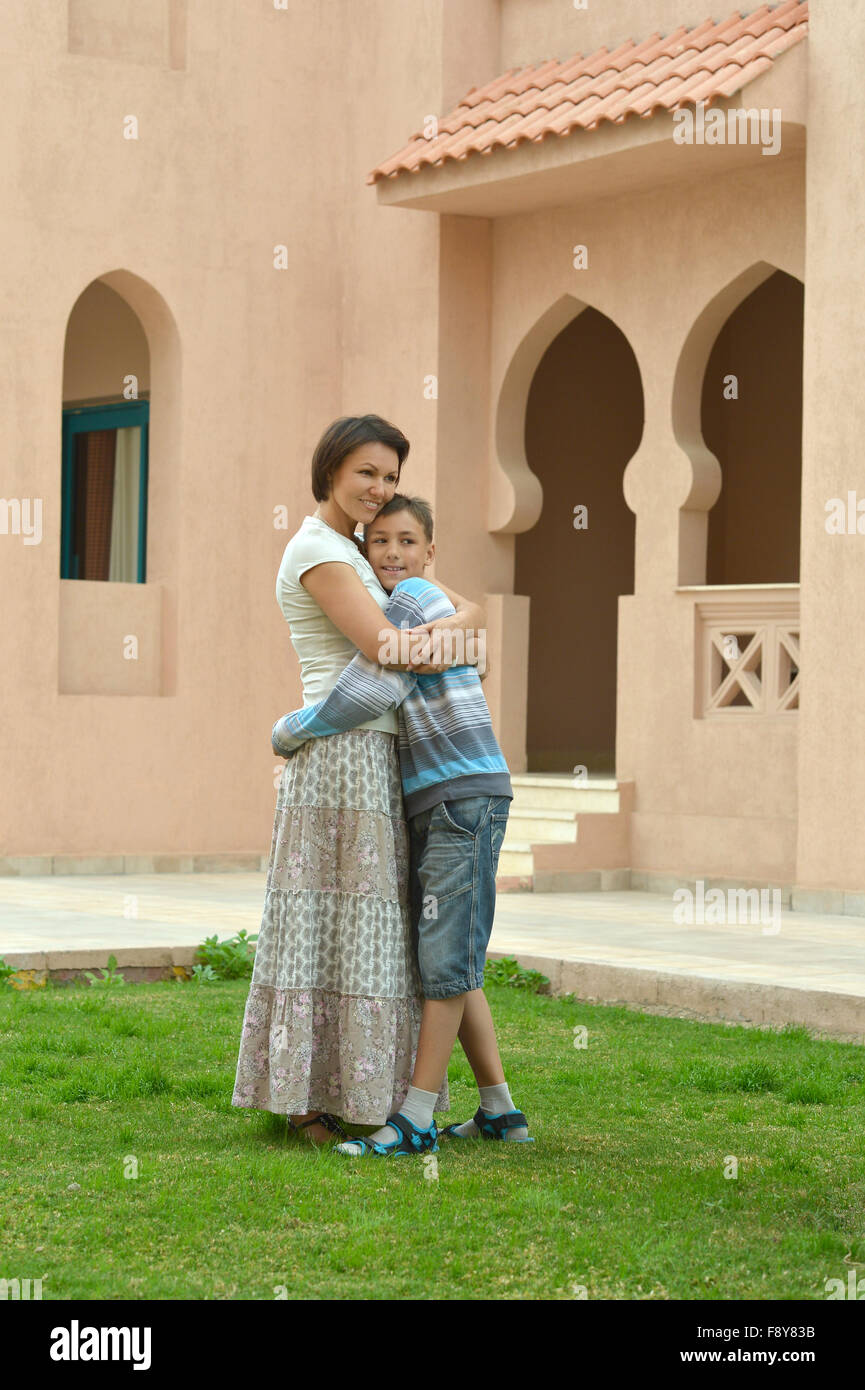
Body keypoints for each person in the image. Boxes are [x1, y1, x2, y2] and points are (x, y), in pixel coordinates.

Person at [232, 419, 486, 1143]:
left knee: (370, 927)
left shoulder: (363, 548)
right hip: (339, 752)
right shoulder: (319, 549)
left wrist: (467, 625)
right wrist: (462, 637)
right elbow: (384, 648)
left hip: (375, 753)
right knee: (327, 925)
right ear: (331, 469)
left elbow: (462, 619)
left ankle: (360, 1092)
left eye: (390, 477)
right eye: (366, 473)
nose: (380, 490)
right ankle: (305, 1099)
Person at [271, 493, 533, 1155]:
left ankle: (415, 1119)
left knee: (443, 961)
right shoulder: (419, 603)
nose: (392, 553)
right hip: (443, 796)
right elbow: (464, 653)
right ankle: (501, 1111)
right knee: (453, 957)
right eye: (379, 541)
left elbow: (374, 686)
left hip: (460, 796)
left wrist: (292, 729)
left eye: (407, 541)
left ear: (428, 551)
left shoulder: (412, 597)